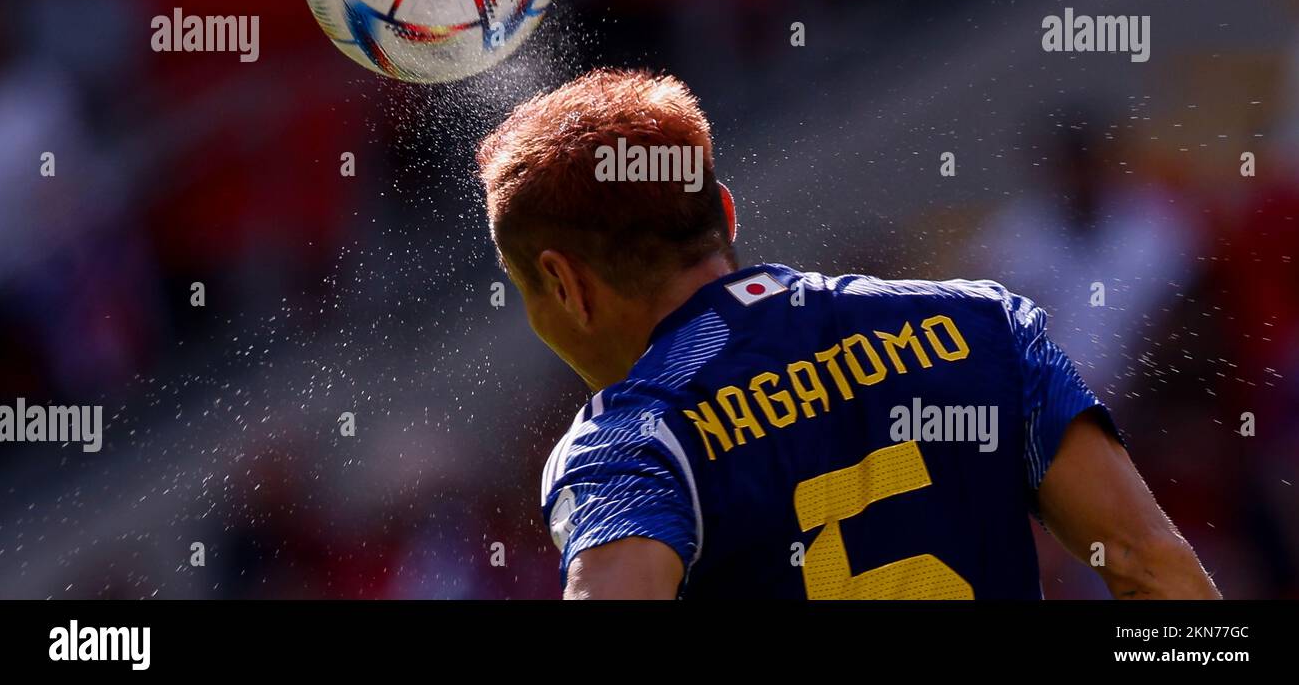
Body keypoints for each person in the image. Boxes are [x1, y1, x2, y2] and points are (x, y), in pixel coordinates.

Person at [475, 68, 1220, 600]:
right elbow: (1147, 565)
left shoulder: (632, 444)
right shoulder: (982, 325)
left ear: (565, 284)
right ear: (725, 215)